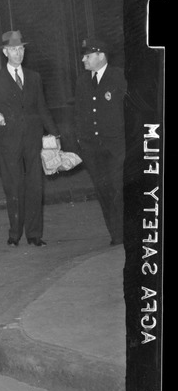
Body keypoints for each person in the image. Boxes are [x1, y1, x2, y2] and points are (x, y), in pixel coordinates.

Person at [0, 30, 59, 247]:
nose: (17, 54)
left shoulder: (34, 77)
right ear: (4, 52)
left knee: (35, 187)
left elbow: (42, 108)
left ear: (24, 51)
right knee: (14, 188)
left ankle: (35, 235)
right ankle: (15, 234)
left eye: (20, 49)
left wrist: (54, 135)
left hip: (33, 139)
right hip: (8, 142)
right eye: (13, 50)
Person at [73, 36, 127, 246]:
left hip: (116, 147)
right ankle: (115, 235)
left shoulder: (119, 77)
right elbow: (78, 113)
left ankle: (124, 233)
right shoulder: (82, 81)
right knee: (103, 192)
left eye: (87, 56)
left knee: (118, 189)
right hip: (92, 149)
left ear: (100, 56)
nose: (83, 60)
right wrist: (81, 142)